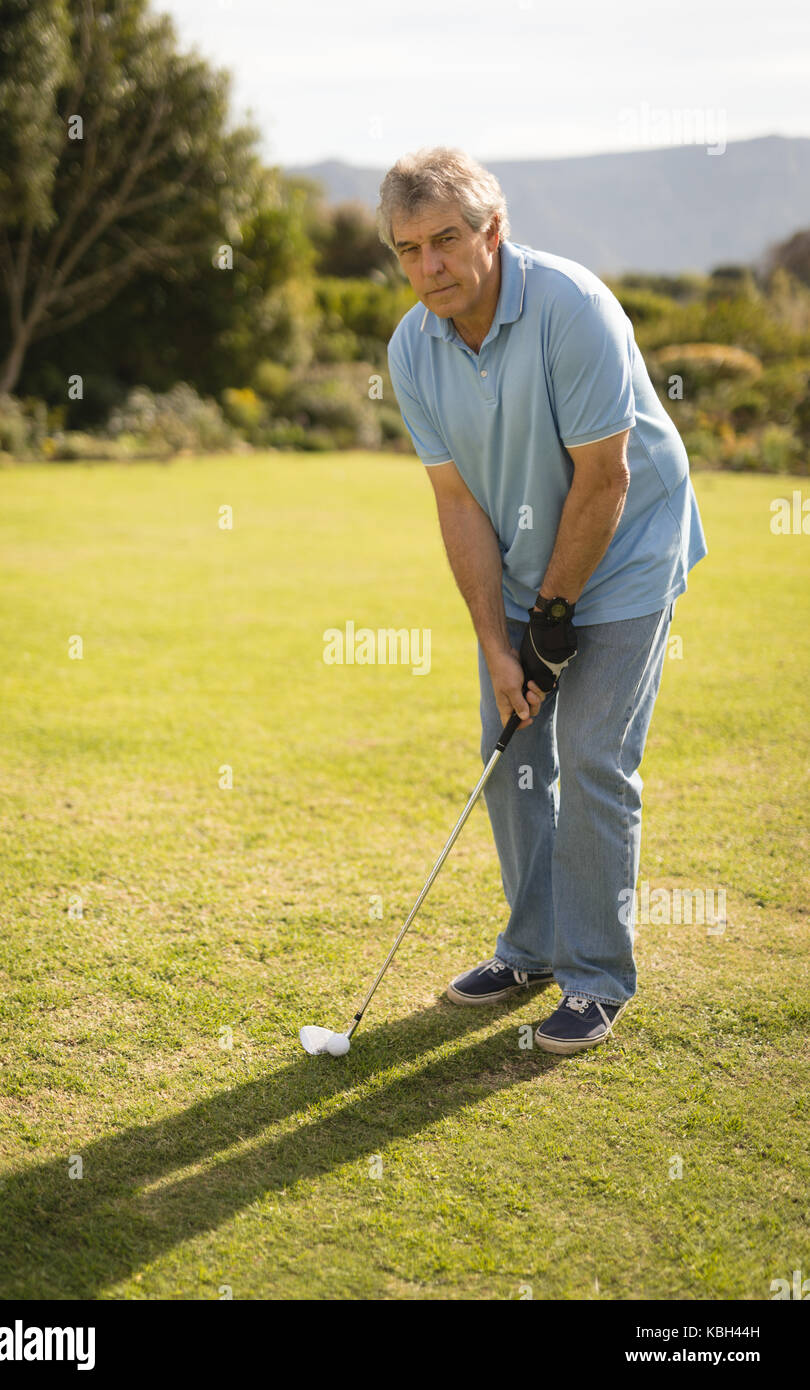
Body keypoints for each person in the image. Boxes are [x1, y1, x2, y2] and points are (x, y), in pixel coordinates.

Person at [380, 147, 707, 1054]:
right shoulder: (413, 347)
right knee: (511, 751)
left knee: (594, 754)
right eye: (409, 249)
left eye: (446, 240)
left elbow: (606, 479)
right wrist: (499, 642)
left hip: (629, 545)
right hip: (529, 558)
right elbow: (458, 502)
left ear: (494, 231)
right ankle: (529, 950)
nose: (430, 267)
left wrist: (555, 621)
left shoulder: (572, 308)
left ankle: (596, 977)